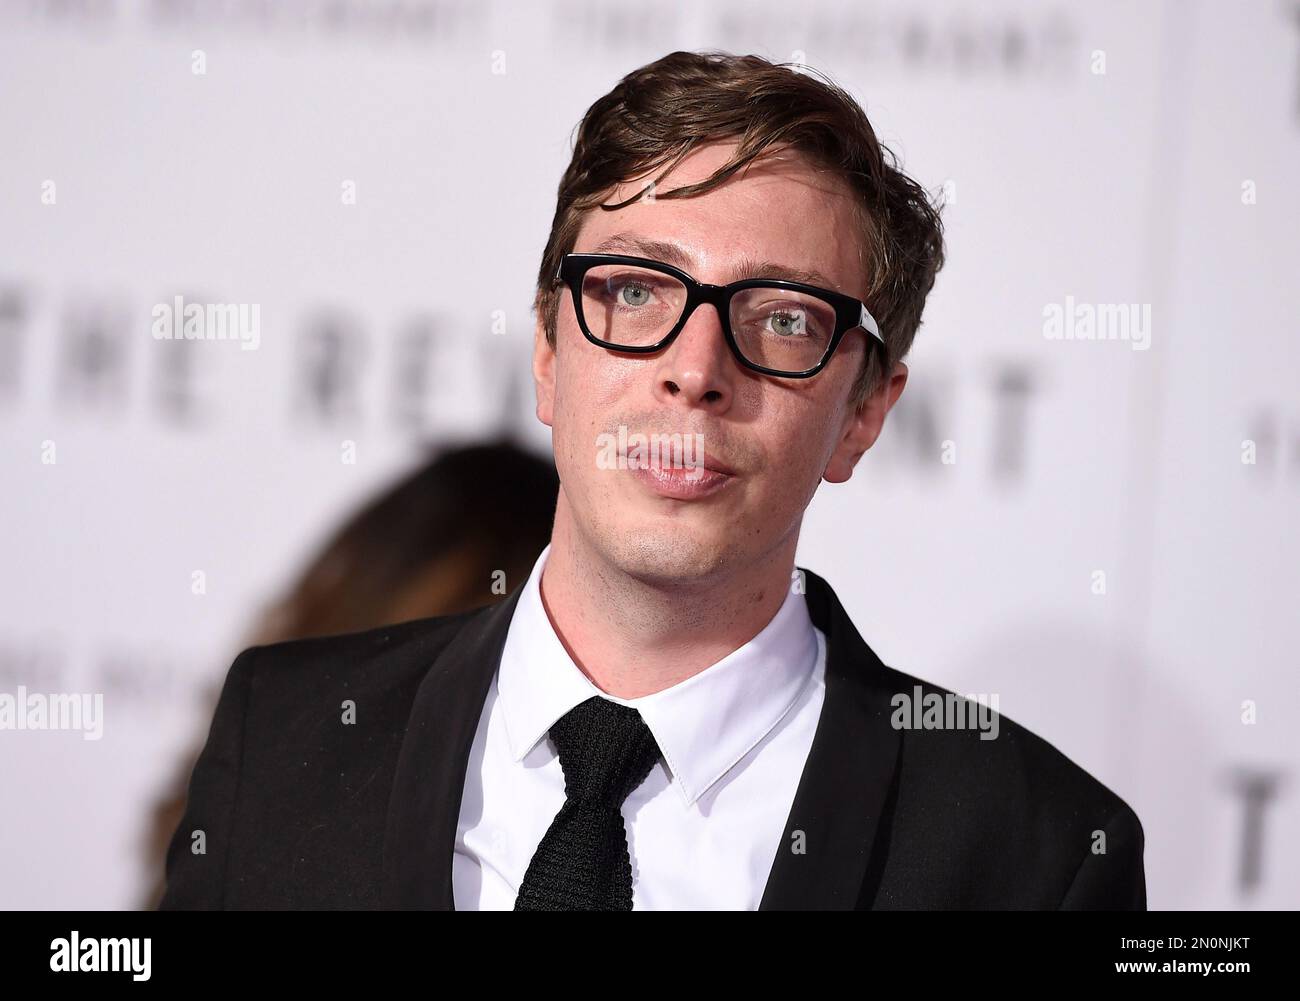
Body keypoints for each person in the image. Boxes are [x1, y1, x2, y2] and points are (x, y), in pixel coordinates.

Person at [159, 50, 1145, 910]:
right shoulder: (284, 735)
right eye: (635, 290)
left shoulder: (1035, 855)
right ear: (548, 350)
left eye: (784, 317)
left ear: (862, 414)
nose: (697, 367)